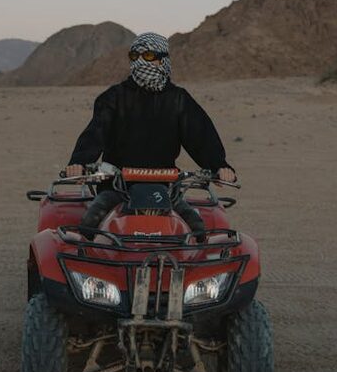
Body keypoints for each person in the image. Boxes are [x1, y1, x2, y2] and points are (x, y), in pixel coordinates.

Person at [65, 32, 236, 237]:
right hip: (117, 187)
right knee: (90, 224)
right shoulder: (113, 98)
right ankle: (88, 269)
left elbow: (201, 135)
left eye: (147, 56)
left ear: (162, 59)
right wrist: (79, 162)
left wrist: (220, 166)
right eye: (134, 56)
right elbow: (95, 133)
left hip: (165, 189)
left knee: (197, 230)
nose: (139, 62)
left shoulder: (178, 100)